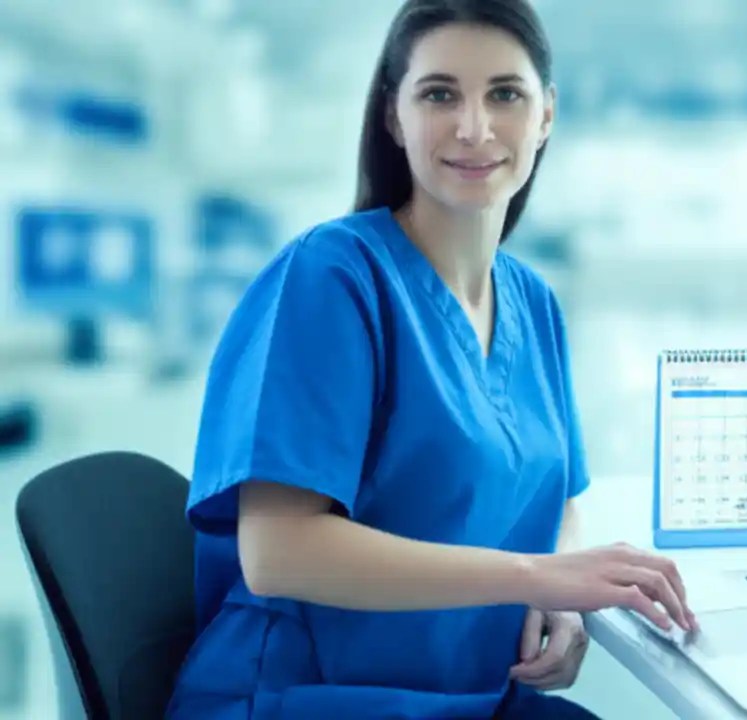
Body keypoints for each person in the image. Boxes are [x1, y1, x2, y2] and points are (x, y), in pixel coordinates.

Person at [164, 2, 696, 718]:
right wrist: (535, 576)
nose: (474, 128)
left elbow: (560, 498)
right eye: (440, 94)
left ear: (545, 115)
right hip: (314, 697)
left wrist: (561, 599)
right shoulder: (333, 276)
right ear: (394, 116)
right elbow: (277, 551)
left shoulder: (534, 302)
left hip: (475, 694)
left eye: (505, 94)